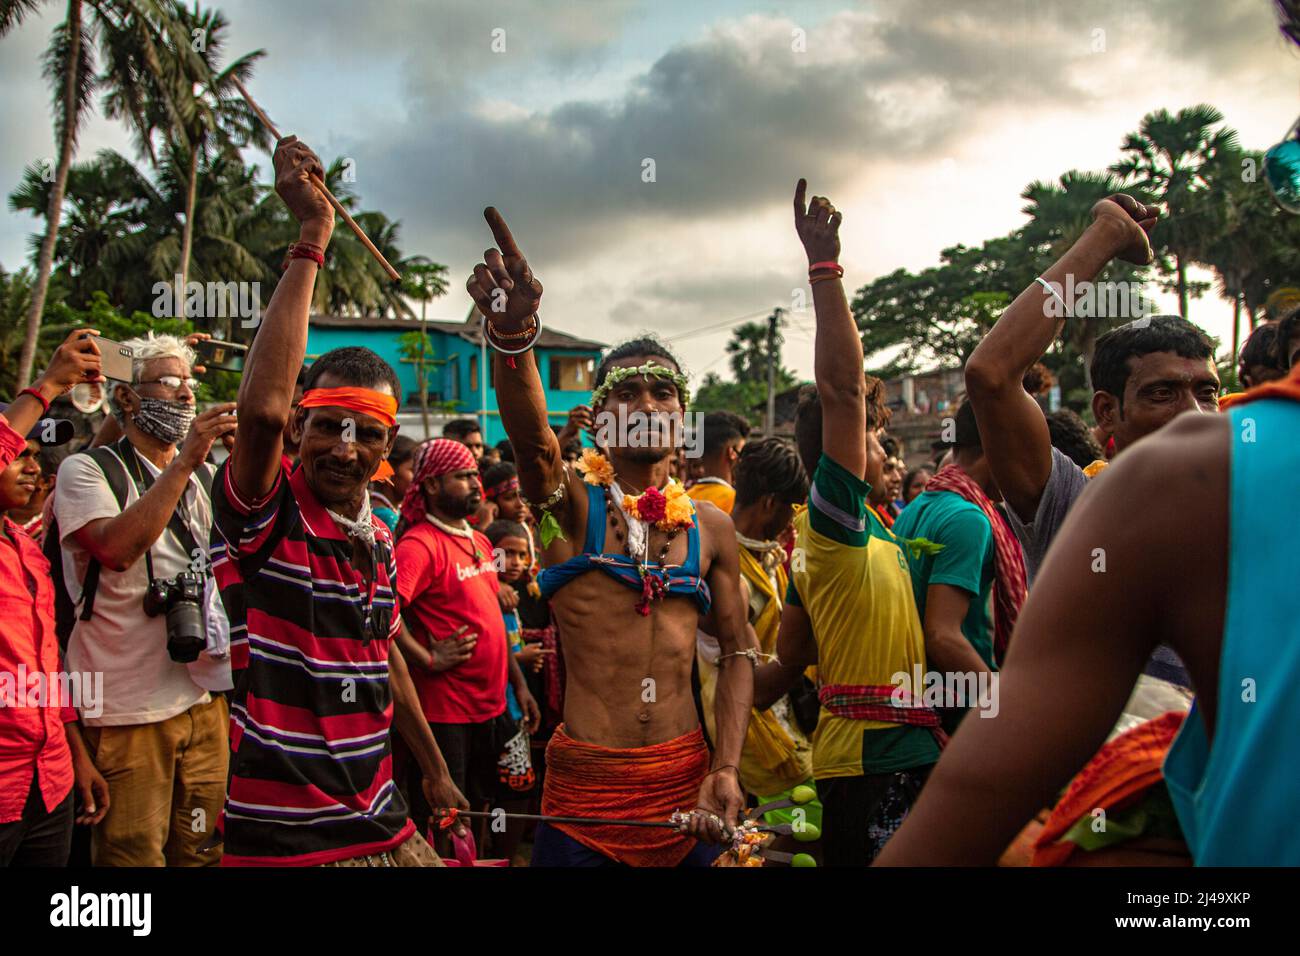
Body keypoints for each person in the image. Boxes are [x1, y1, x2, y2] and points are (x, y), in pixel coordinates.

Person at [877, 337, 1300, 867]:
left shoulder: (1234, 476)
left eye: (1207, 392)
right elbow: (991, 373)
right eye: (1163, 392)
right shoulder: (1090, 499)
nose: (1192, 414)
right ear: (1107, 411)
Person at [467, 207, 755, 867]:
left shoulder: (712, 527)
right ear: (599, 421)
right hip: (587, 797)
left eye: (665, 393)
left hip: (690, 787)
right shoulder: (570, 506)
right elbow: (535, 446)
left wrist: (728, 766)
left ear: (683, 418)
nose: (649, 405)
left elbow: (740, 651)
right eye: (630, 394)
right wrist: (513, 336)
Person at [208, 136, 463, 867]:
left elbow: (381, 654)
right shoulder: (267, 513)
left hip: (384, 818)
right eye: (327, 428)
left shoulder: (380, 532)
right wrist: (312, 237)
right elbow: (256, 416)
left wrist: (437, 771)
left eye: (367, 435)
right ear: (299, 428)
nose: (345, 449)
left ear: (390, 450)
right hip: (287, 838)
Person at [752, 182, 941, 866]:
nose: (887, 451)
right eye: (873, 435)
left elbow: (784, 666)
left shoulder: (866, 533)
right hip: (868, 763)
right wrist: (825, 268)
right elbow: (840, 390)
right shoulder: (833, 519)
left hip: (890, 756)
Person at [53, 332, 236, 867]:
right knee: (131, 860)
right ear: (128, 400)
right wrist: (185, 462)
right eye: (168, 382)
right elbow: (116, 550)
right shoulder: (88, 470)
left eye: (189, 384)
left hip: (204, 701)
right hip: (127, 709)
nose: (184, 396)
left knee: (203, 852)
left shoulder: (207, 475)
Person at [392, 439, 540, 839]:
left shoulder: (480, 541)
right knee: (445, 815)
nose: (476, 484)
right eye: (463, 476)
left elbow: (492, 618)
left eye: (476, 474)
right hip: (445, 714)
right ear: (432, 485)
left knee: (485, 805)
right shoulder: (418, 545)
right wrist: (426, 658)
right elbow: (385, 609)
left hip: (492, 706)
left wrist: (520, 685)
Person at [0, 331, 110, 866]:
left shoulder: (26, 550)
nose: (32, 467)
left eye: (36, 456)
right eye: (16, 454)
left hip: (50, 781)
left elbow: (47, 668)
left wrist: (74, 753)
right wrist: (49, 385)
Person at [697, 437, 820, 832]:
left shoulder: (767, 556)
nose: (792, 521)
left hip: (784, 732)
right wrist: (823, 640)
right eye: (791, 509)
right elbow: (759, 687)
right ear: (770, 504)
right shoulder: (727, 567)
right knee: (788, 842)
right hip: (753, 740)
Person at [892, 400, 1024, 730]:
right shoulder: (969, 519)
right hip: (961, 708)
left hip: (921, 694)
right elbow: (942, 635)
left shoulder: (914, 509)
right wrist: (1005, 704)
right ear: (999, 448)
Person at [484, 518, 554, 861]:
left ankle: (504, 856)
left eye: (521, 555)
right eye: (506, 554)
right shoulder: (488, 594)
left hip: (514, 707)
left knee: (515, 789)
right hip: (495, 708)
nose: (515, 562)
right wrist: (520, 657)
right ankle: (498, 854)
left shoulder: (514, 596)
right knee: (508, 790)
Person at [685, 411, 750, 514]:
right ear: (732, 452)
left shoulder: (683, 499)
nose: (742, 460)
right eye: (741, 452)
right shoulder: (736, 503)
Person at [371, 434, 417, 532]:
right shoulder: (386, 517)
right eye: (413, 470)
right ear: (389, 471)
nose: (418, 477)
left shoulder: (387, 510)